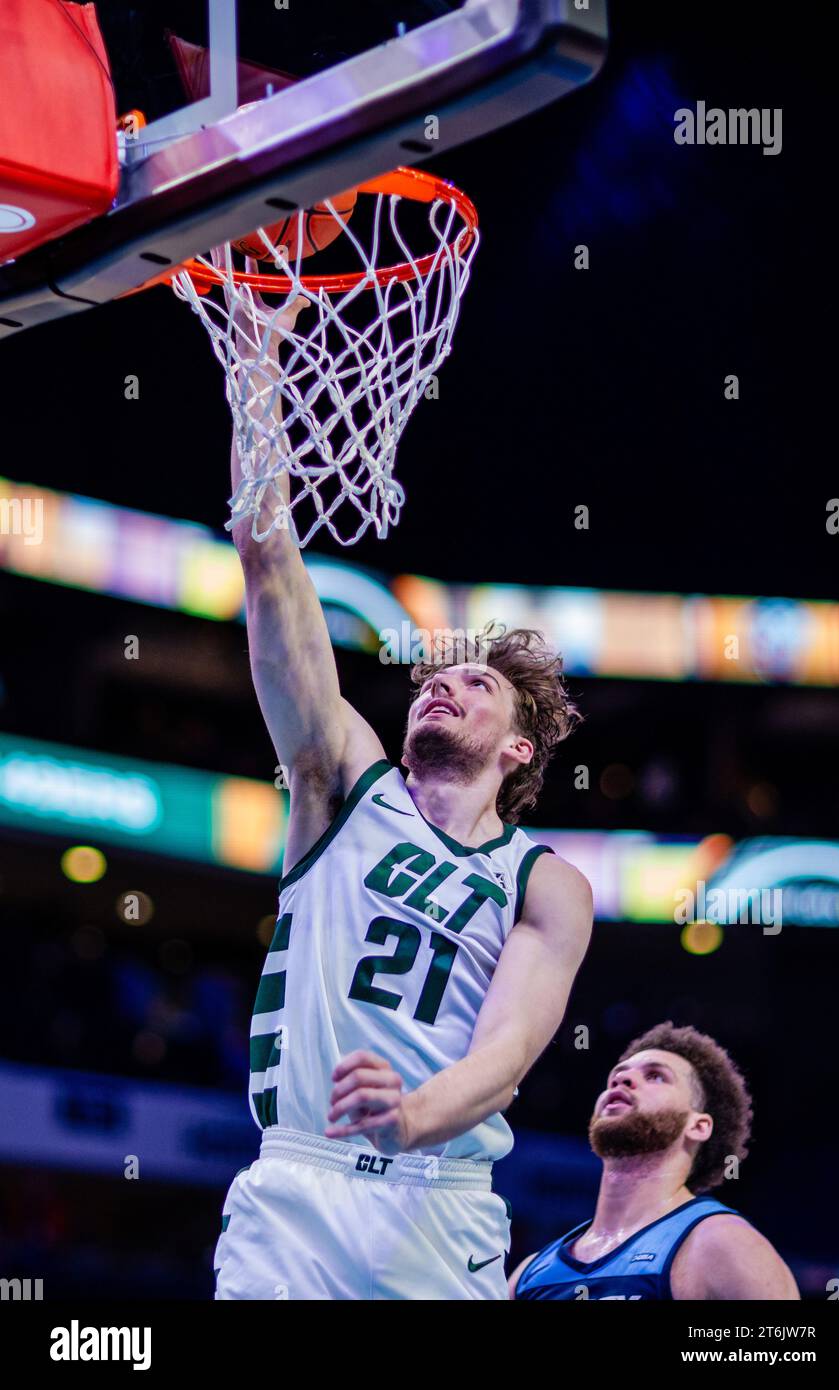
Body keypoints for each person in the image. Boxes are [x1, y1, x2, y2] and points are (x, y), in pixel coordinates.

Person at [214, 294, 594, 1300]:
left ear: (515, 748)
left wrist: (415, 1112)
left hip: (440, 1199)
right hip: (296, 1187)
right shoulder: (341, 779)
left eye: (475, 683)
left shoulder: (544, 882)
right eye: (435, 674)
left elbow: (508, 1047)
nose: (441, 681)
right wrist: (254, 362)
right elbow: (266, 563)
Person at [509, 1021, 799, 1300]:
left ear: (698, 1126)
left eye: (655, 1076)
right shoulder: (530, 1273)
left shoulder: (721, 1243)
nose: (622, 1079)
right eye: (616, 1076)